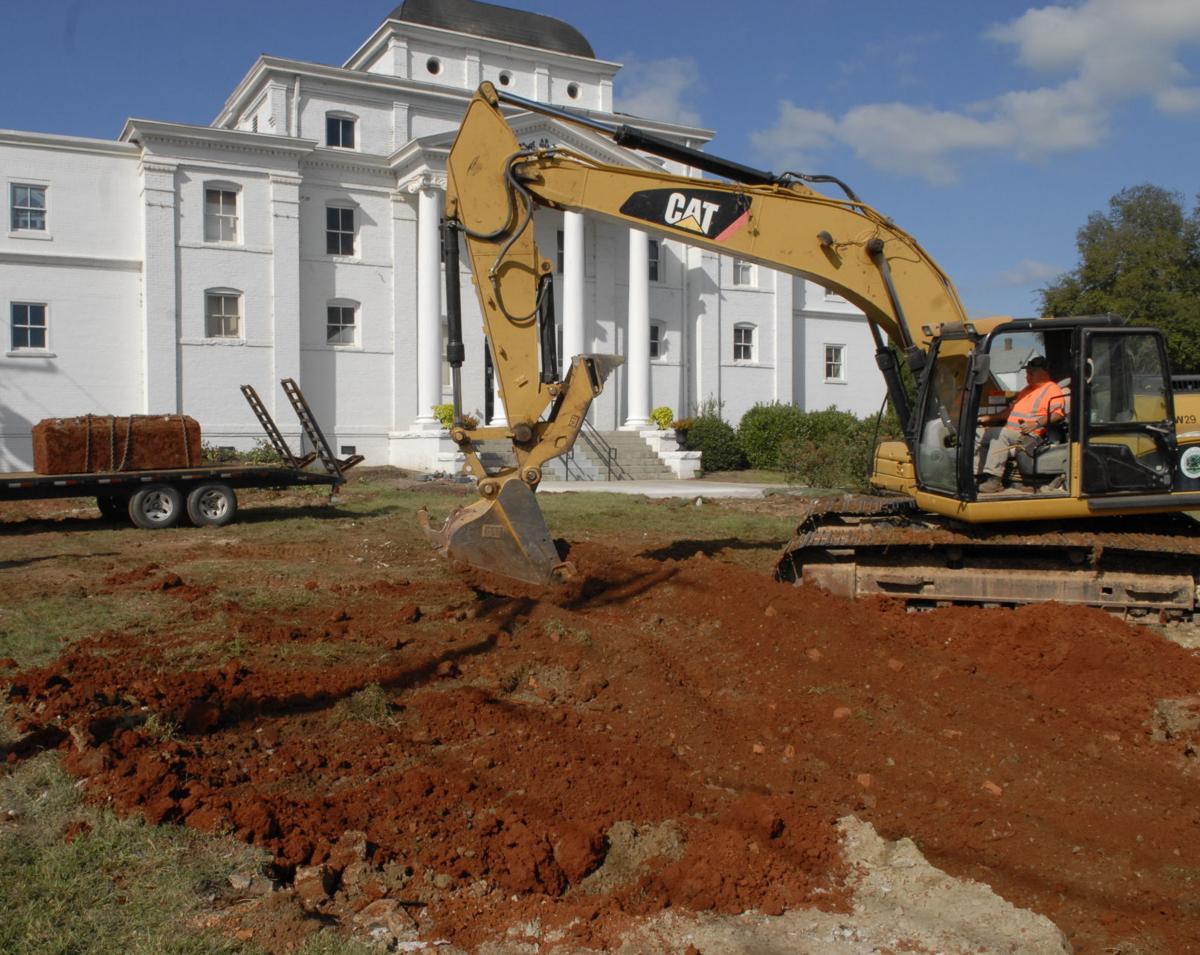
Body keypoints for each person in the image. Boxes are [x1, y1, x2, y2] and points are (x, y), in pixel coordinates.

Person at [975, 355, 1066, 494]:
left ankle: (994, 480)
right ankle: (976, 475)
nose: (1027, 376)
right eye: (1026, 373)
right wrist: (988, 418)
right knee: (977, 433)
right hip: (1012, 432)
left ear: (1043, 373)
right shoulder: (1027, 389)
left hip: (1029, 436)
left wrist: (1035, 424)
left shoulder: (1052, 389)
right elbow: (1010, 412)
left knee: (1000, 434)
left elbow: (1057, 414)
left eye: (1031, 373)